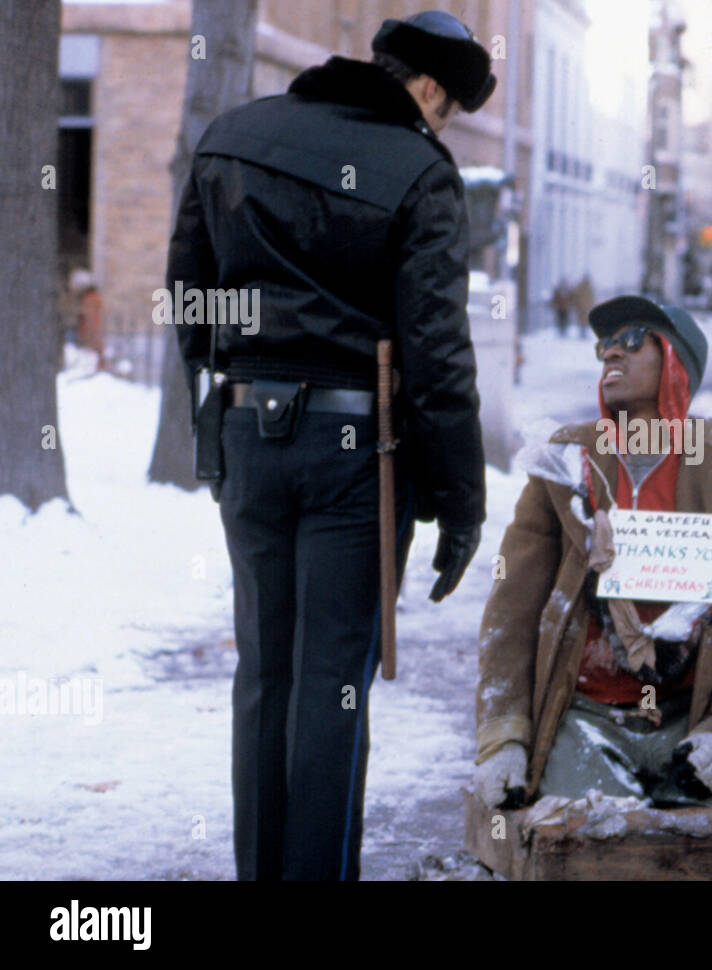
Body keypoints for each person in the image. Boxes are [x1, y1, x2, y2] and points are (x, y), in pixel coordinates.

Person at [167, 10, 496, 880]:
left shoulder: (233, 136)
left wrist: (226, 404)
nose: (443, 125)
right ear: (428, 89)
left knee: (264, 676)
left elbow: (191, 302)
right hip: (359, 449)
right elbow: (437, 354)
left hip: (250, 433)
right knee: (330, 687)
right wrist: (461, 502)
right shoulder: (420, 172)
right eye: (449, 108)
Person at [473, 295, 712, 809]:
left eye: (630, 340)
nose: (610, 356)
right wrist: (503, 736)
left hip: (690, 723)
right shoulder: (564, 467)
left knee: (700, 856)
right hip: (584, 719)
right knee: (589, 841)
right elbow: (511, 612)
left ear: (675, 361)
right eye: (604, 346)